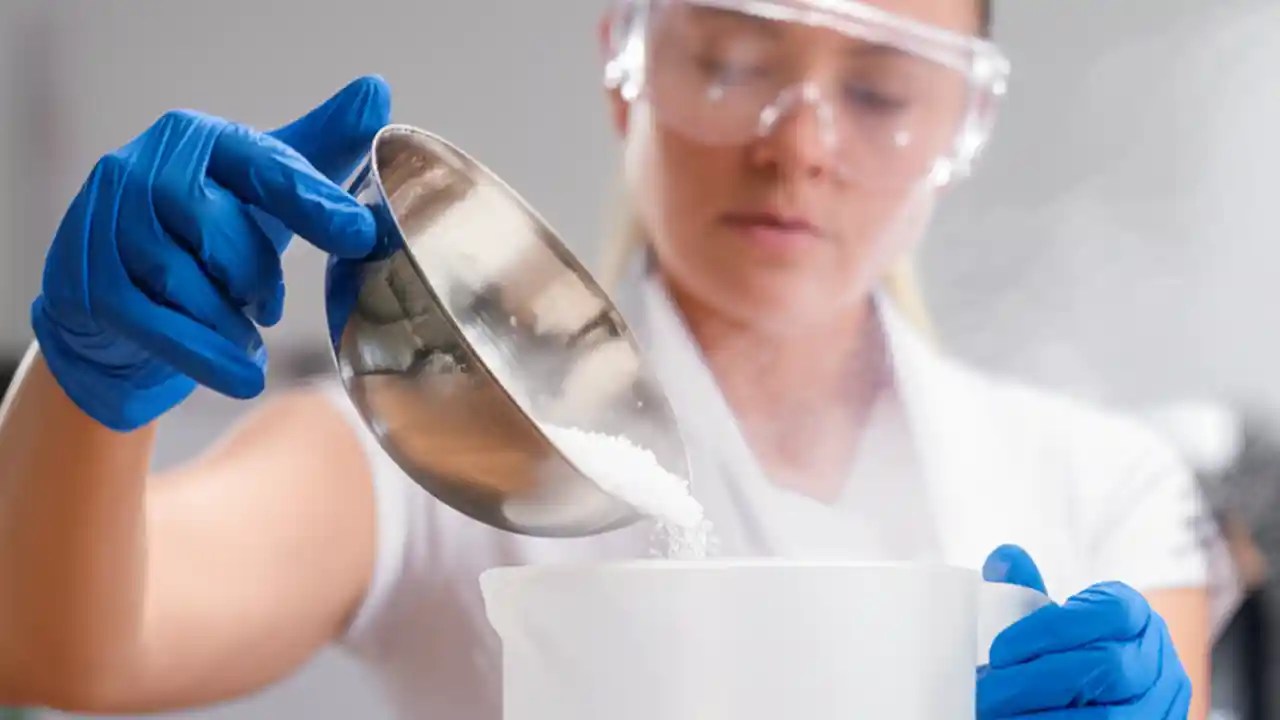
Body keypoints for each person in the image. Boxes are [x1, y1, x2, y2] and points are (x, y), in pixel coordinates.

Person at [0, 0, 1214, 718]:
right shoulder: (430, 436)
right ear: (627, 64)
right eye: (732, 62)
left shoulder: (1095, 483)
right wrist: (84, 384)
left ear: (959, 126)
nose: (797, 150)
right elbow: (69, 646)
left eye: (883, 91)